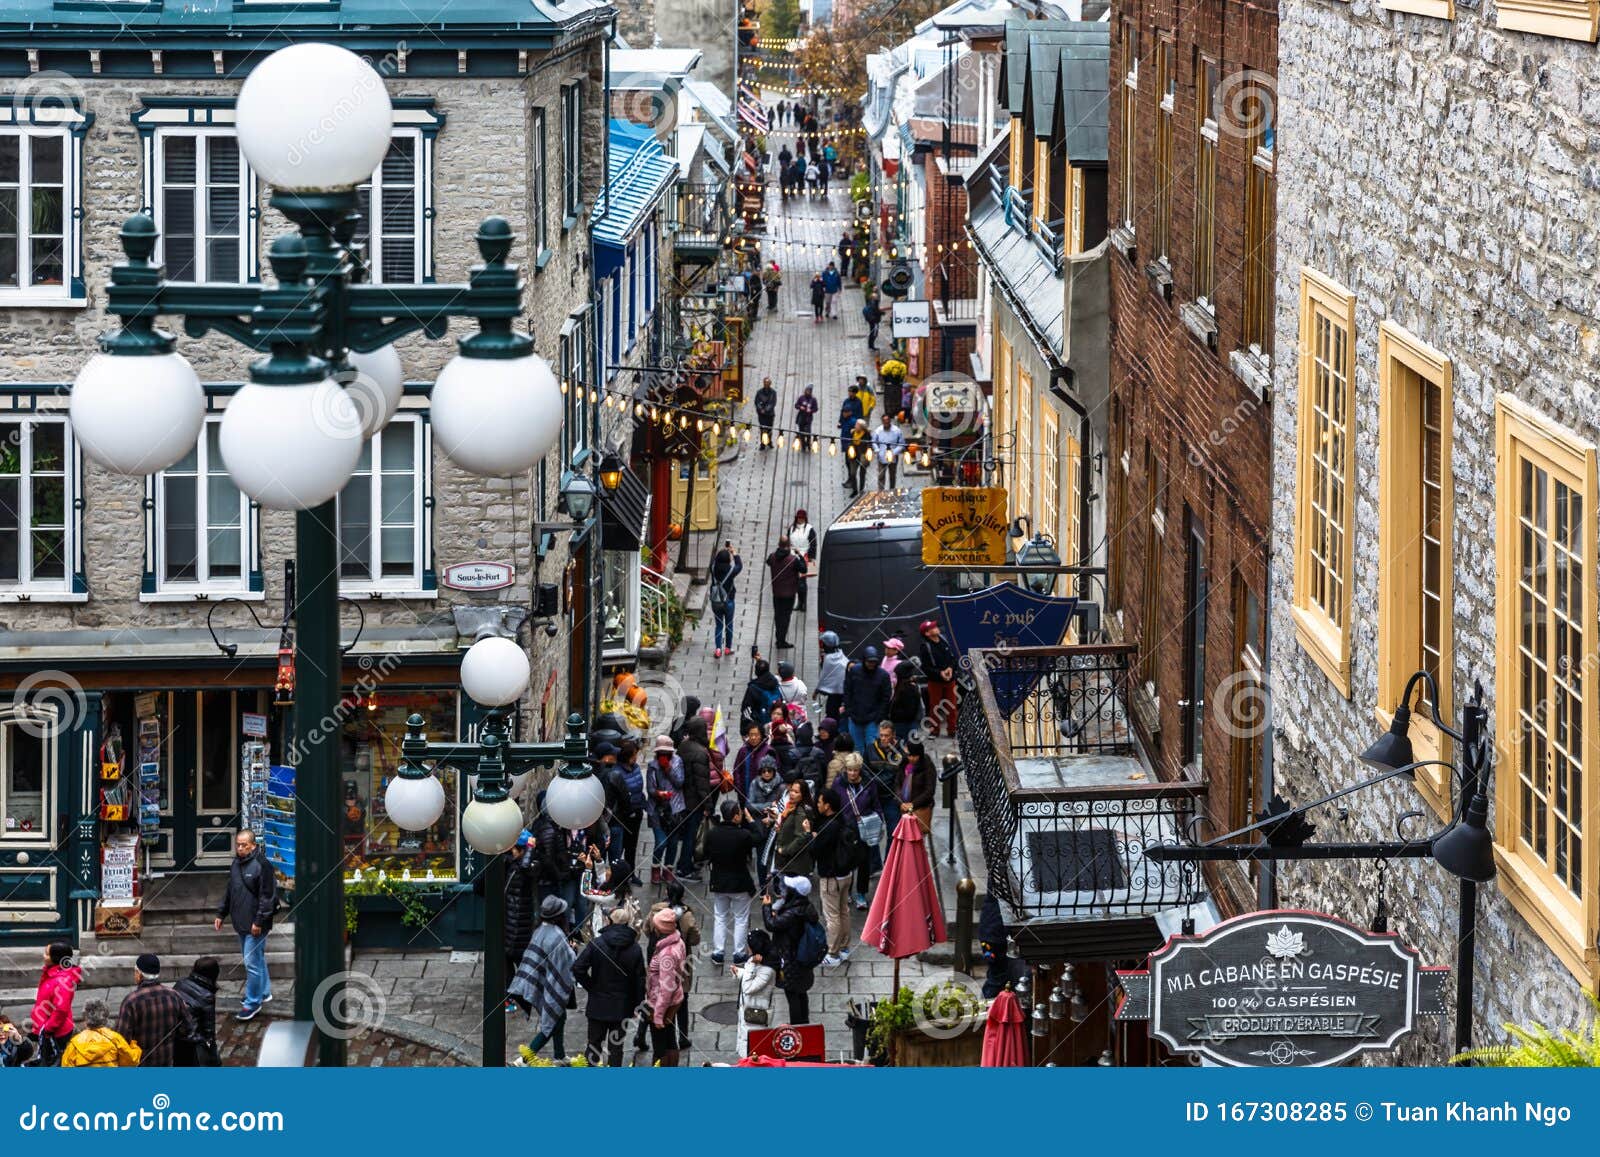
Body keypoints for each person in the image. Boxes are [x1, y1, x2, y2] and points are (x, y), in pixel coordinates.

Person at [214, 828, 276, 1021]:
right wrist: (221, 913)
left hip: (255, 924)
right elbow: (230, 890)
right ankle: (264, 992)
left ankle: (252, 1003)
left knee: (251, 964)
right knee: (257, 959)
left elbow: (267, 897)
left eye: (244, 845)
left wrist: (259, 921)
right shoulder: (236, 864)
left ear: (253, 846)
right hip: (240, 921)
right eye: (238, 845)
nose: (240, 848)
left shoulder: (262, 865)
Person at [573, 907, 646, 1067]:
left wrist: (591, 986)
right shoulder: (635, 948)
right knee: (616, 1048)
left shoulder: (597, 944)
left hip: (598, 1004)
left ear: (609, 921)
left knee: (593, 1045)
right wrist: (637, 1005)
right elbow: (640, 980)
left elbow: (578, 968)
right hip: (622, 1007)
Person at [509, 896, 576, 1064]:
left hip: (542, 981)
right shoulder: (557, 936)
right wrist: (573, 950)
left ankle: (560, 1055)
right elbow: (569, 963)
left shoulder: (539, 930)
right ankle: (524, 1059)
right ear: (559, 916)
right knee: (551, 1023)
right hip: (550, 984)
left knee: (559, 1017)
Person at [705, 797, 762, 965]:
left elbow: (707, 853)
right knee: (741, 918)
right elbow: (759, 837)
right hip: (739, 884)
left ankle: (718, 952)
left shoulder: (712, 833)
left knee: (720, 917)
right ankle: (739, 953)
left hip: (719, 882)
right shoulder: (743, 835)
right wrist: (751, 821)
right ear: (735, 816)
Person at [811, 788, 863, 967]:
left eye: (820, 802)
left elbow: (815, 850)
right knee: (843, 912)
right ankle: (844, 949)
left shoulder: (828, 826)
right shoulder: (844, 819)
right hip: (846, 874)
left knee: (832, 916)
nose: (817, 805)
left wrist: (811, 835)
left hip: (831, 877)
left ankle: (833, 953)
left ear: (827, 806)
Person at [116, 954, 196, 1068]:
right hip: (166, 1062)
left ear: (139, 974)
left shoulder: (131, 1001)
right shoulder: (174, 995)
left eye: (135, 972)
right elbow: (187, 1028)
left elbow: (121, 1040)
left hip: (141, 1064)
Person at [763, 875, 819, 1024]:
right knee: (801, 992)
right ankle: (804, 1023)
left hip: (791, 959)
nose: (785, 889)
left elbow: (771, 925)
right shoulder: (806, 907)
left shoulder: (793, 912)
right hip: (802, 958)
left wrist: (766, 907)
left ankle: (797, 1025)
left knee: (792, 994)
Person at [644, 907, 688, 1066]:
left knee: (660, 1047)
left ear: (661, 929)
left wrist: (658, 1015)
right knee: (670, 1040)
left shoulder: (667, 953)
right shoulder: (678, 941)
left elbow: (666, 988)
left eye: (655, 925)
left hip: (661, 1003)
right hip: (674, 999)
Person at [838, 759, 882, 908]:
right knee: (847, 862)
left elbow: (876, 804)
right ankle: (847, 891)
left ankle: (861, 893)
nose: (852, 773)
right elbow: (834, 804)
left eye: (855, 770)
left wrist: (879, 821)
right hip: (846, 829)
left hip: (865, 827)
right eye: (849, 770)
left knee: (864, 862)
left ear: (860, 770)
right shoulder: (839, 783)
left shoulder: (870, 783)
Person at [675, 715, 714, 882]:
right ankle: (684, 868)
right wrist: (708, 805)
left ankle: (683, 864)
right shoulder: (700, 753)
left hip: (682, 799)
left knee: (687, 835)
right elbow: (702, 783)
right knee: (691, 836)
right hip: (694, 802)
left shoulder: (683, 746)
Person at [644, 735, 687, 884]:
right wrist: (659, 794)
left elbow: (680, 782)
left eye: (666, 753)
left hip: (675, 809)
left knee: (673, 842)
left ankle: (668, 869)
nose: (663, 755)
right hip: (657, 810)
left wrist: (668, 769)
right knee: (661, 842)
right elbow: (650, 788)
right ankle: (655, 867)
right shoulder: (652, 766)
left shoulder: (678, 762)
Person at [30, 941, 79, 1067]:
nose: (43, 956)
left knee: (54, 1062)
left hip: (56, 1033)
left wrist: (47, 1029)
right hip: (47, 1030)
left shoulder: (62, 980)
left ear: (56, 958)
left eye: (47, 954)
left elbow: (61, 1010)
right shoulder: (51, 974)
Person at [733, 929, 778, 1057]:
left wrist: (750, 965)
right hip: (749, 1013)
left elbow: (748, 988)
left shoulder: (767, 970)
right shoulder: (760, 962)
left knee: (752, 1050)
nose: (747, 948)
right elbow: (752, 979)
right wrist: (740, 972)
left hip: (756, 1017)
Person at [501, 833, 540, 983]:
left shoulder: (532, 865)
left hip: (520, 922)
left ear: (522, 850)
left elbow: (525, 867)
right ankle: (511, 990)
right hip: (511, 919)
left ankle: (521, 991)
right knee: (508, 961)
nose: (512, 852)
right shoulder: (512, 863)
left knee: (521, 962)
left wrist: (530, 848)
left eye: (514, 849)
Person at [842, 644, 893, 754]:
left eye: (873, 662)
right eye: (869, 662)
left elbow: (886, 697)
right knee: (858, 749)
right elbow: (847, 691)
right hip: (855, 717)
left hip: (872, 719)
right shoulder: (854, 671)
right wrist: (849, 710)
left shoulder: (883, 675)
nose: (871, 664)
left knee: (872, 749)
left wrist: (879, 716)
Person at [172, 956, 221, 1067]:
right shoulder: (207, 996)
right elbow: (209, 1030)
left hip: (175, 1037)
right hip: (191, 1042)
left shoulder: (180, 983)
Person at [61, 1001, 140, 1068]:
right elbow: (132, 1061)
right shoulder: (115, 1038)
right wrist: (134, 1046)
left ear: (85, 1018)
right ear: (105, 1018)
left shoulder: (74, 1044)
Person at [865, 721, 906, 844]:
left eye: (886, 735)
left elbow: (900, 775)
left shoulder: (901, 751)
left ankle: (890, 857)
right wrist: (873, 782)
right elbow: (865, 770)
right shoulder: (871, 749)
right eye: (881, 735)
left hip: (891, 797)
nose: (883, 738)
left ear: (893, 735)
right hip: (874, 796)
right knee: (871, 835)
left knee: (893, 833)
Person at [920, 619, 960, 736]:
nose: (936, 627)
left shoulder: (945, 641)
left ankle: (952, 730)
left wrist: (950, 668)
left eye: (935, 626)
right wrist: (939, 673)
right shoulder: (925, 647)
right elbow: (925, 668)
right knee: (935, 706)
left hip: (950, 680)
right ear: (927, 633)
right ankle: (935, 730)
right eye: (932, 627)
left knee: (952, 705)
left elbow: (953, 658)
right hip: (935, 682)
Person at [615, 737, 647, 878]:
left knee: (632, 846)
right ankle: (618, 876)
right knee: (620, 846)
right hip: (624, 815)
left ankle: (631, 874)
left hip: (637, 811)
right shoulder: (617, 773)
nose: (636, 757)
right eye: (635, 754)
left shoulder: (636, 768)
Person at [771, 778, 816, 879]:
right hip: (786, 863)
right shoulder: (790, 807)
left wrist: (784, 851)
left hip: (793, 866)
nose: (792, 793)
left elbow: (801, 837)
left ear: (803, 795)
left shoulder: (800, 812)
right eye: (791, 790)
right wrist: (780, 829)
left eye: (796, 792)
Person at [766, 535, 805, 649]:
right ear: (788, 545)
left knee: (778, 616)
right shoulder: (793, 560)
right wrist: (800, 555)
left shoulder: (772, 556)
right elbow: (804, 569)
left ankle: (779, 638)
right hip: (789, 594)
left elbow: (768, 562)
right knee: (786, 617)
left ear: (779, 544)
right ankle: (781, 641)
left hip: (776, 593)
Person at [709, 541, 742, 659]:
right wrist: (734, 553)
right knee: (729, 625)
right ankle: (728, 648)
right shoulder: (731, 571)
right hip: (728, 601)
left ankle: (718, 649)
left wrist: (722, 551)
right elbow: (739, 565)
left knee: (718, 625)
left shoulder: (713, 568)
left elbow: (714, 561)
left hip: (716, 601)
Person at [898, 738, 937, 833]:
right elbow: (897, 784)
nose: (911, 758)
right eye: (909, 755)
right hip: (903, 807)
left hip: (920, 808)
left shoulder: (927, 765)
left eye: (914, 756)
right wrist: (900, 802)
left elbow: (929, 790)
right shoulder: (903, 763)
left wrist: (913, 804)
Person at [731, 722, 771, 800]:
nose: (753, 737)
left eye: (756, 735)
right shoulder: (743, 750)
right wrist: (738, 787)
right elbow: (737, 770)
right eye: (751, 735)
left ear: (761, 736)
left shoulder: (768, 751)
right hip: (744, 793)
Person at [788, 508, 817, 612]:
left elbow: (813, 544)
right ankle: (799, 603)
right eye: (799, 518)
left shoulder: (809, 529)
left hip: (804, 556)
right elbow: (788, 542)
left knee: (802, 582)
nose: (800, 520)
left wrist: (811, 558)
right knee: (795, 581)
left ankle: (803, 603)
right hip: (792, 557)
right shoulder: (791, 528)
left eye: (802, 518)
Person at [871, 412, 907, 488]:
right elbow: (874, 442)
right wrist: (877, 450)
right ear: (882, 422)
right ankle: (881, 491)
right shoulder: (878, 431)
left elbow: (902, 444)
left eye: (887, 420)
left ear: (890, 421)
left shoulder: (897, 431)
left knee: (892, 475)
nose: (886, 423)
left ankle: (892, 490)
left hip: (893, 457)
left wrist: (894, 452)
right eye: (884, 421)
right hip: (882, 456)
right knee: (881, 475)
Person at [816, 632, 847, 719]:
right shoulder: (840, 654)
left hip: (836, 693)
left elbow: (824, 676)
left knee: (832, 712)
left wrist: (818, 689)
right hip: (840, 691)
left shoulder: (829, 658)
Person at [889, 663, 923, 741]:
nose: (895, 678)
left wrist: (894, 715)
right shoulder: (904, 688)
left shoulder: (908, 690)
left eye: (896, 676)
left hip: (904, 725)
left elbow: (909, 711)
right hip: (902, 724)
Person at [754, 376, 778, 449]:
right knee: (763, 429)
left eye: (768, 383)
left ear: (770, 384)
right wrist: (761, 409)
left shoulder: (773, 393)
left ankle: (769, 442)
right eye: (765, 383)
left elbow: (773, 403)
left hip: (770, 414)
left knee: (769, 429)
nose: (766, 384)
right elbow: (757, 402)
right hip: (761, 415)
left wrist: (766, 410)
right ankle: (763, 443)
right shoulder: (759, 392)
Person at [794, 384, 819, 449]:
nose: (807, 392)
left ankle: (808, 443)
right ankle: (803, 444)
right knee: (801, 431)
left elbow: (816, 408)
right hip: (801, 417)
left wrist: (811, 410)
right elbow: (796, 405)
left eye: (809, 391)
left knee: (808, 431)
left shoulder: (813, 399)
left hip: (808, 418)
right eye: (807, 390)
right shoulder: (801, 398)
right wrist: (800, 407)